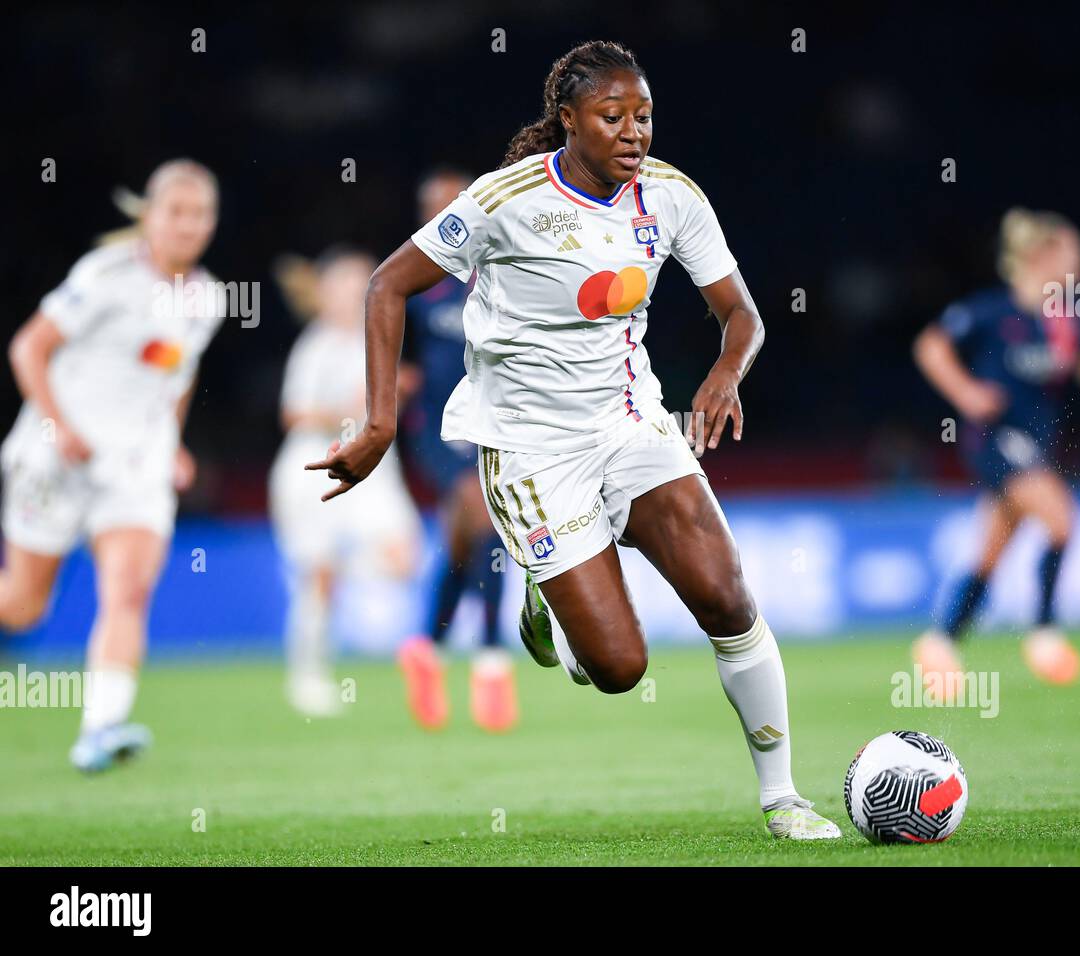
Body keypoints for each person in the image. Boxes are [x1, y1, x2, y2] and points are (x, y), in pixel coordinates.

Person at [308, 40, 840, 839]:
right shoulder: (505, 199)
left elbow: (743, 314)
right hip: (528, 451)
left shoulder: (671, 198)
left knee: (727, 597)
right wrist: (381, 423)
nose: (635, 132)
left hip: (631, 426)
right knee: (620, 670)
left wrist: (727, 372)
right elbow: (387, 285)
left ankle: (783, 797)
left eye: (645, 115)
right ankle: (548, 598)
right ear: (569, 121)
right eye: (613, 115)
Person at [0, 159, 224, 771]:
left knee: (128, 590)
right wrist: (58, 425)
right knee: (22, 607)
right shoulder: (104, 275)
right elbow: (28, 347)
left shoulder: (209, 296)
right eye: (175, 211)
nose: (187, 224)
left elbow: (176, 374)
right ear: (150, 216)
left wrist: (173, 443)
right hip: (54, 458)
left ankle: (101, 728)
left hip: (134, 467)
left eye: (200, 213)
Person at [912, 208, 1080, 695]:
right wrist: (967, 392)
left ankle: (940, 640)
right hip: (996, 440)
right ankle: (1045, 632)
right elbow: (931, 346)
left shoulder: (1070, 318)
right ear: (1042, 256)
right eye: (1073, 253)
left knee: (991, 552)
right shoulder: (992, 311)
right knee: (1061, 518)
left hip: (1037, 444)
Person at [269, 248, 423, 718]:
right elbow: (293, 413)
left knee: (404, 557)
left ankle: (347, 574)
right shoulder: (317, 346)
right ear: (326, 295)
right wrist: (351, 407)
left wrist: (393, 391)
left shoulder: (374, 339)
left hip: (372, 467)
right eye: (347, 288)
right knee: (317, 577)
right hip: (317, 462)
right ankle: (307, 679)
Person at [397, 167, 517, 733]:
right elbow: (396, 357)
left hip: (496, 421)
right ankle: (492, 661)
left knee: (466, 538)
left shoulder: (503, 274)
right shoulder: (415, 284)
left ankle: (427, 647)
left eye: (456, 203)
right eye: (434, 206)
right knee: (487, 518)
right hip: (438, 429)